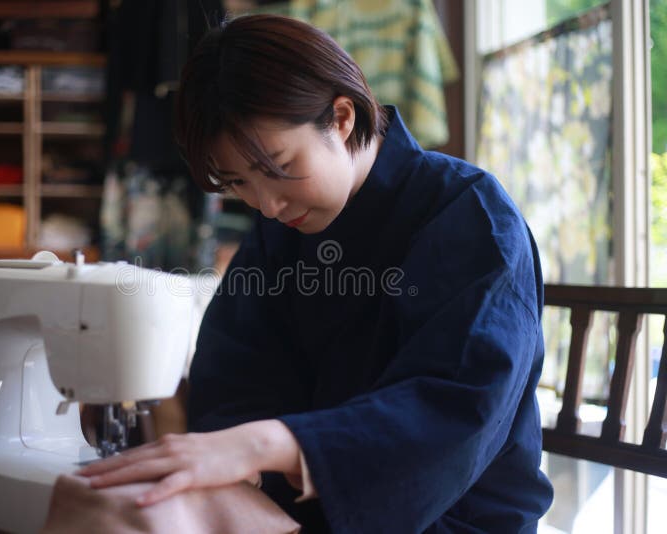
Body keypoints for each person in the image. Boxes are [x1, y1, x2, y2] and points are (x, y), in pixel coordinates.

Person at [77, 13, 554, 533]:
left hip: (448, 519)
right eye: (239, 182)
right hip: (297, 508)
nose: (266, 203)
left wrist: (266, 445)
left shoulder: (470, 216)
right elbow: (233, 370)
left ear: (342, 117)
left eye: (277, 168)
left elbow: (454, 406)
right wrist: (236, 461)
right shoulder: (282, 227)